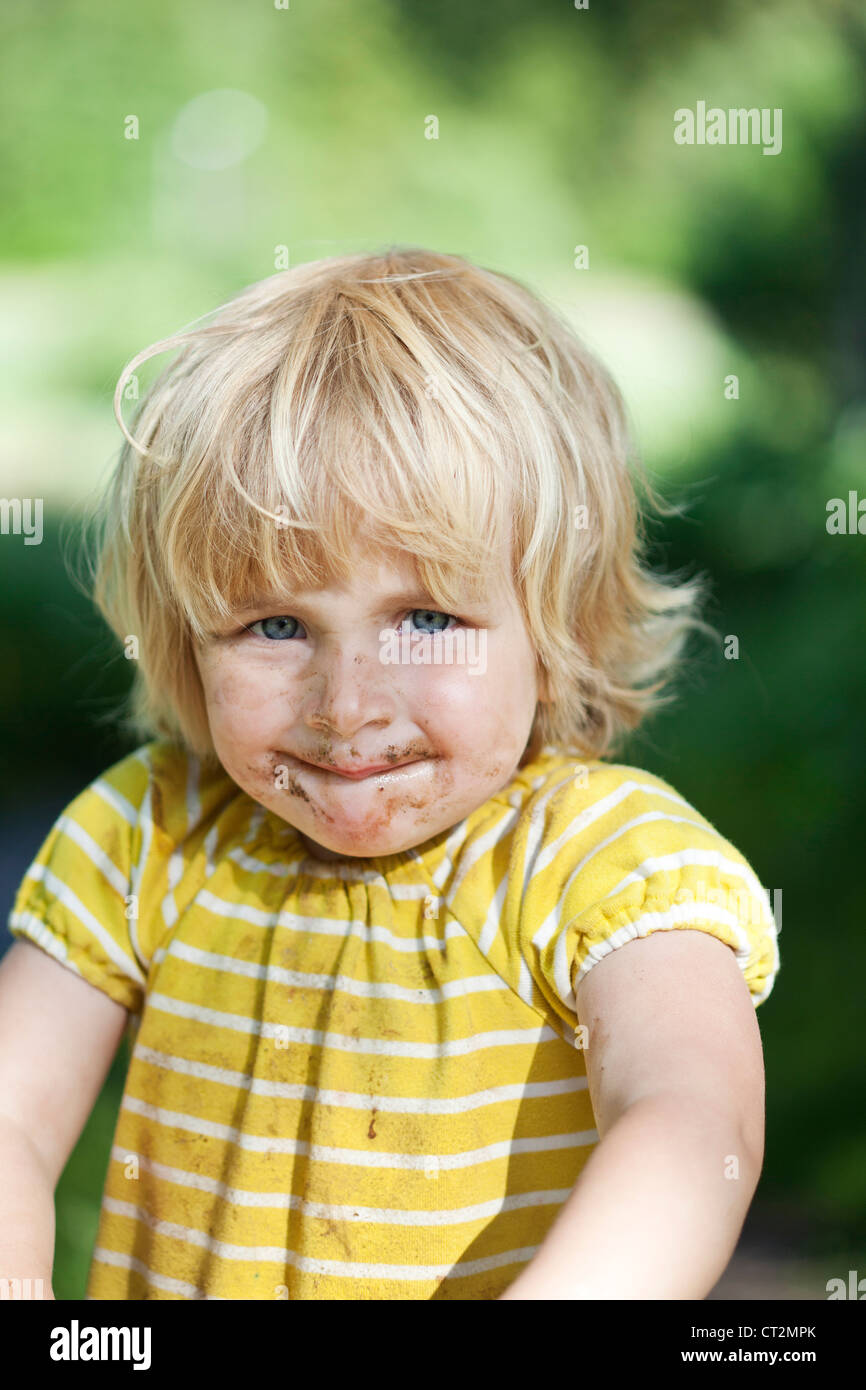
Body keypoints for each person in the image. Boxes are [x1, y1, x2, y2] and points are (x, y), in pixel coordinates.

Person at [0, 247, 780, 1300]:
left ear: (556, 628)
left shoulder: (600, 864)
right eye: (274, 625)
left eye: (425, 619)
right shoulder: (152, 831)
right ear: (185, 644)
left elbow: (692, 1122)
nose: (348, 702)